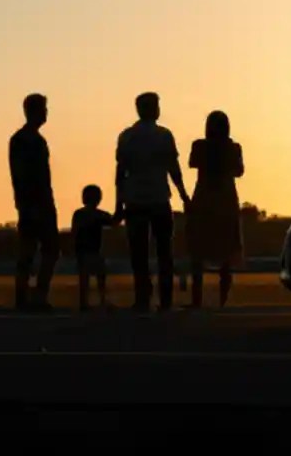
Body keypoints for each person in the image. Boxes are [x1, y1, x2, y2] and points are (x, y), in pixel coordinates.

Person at [115, 92, 190, 312]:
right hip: (158, 198)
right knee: (164, 251)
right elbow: (173, 168)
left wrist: (118, 203)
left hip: (135, 199)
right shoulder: (164, 135)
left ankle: (142, 297)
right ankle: (165, 299)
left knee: (139, 253)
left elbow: (121, 173)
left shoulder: (127, 136)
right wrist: (183, 194)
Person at [185, 110, 244, 308]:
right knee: (226, 251)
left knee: (198, 250)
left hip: (204, 198)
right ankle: (223, 300)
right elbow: (239, 171)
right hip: (226, 199)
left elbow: (192, 163)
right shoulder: (233, 147)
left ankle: (197, 299)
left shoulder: (200, 146)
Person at [9, 93, 58, 311]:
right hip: (34, 202)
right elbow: (21, 175)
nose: (46, 113)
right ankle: (30, 297)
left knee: (43, 250)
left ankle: (32, 296)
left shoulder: (33, 140)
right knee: (34, 251)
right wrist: (28, 203)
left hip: (39, 201)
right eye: (44, 109)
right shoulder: (25, 141)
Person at [71, 184, 116, 312]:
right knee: (100, 277)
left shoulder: (79, 214)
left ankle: (84, 302)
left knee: (84, 278)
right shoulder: (100, 215)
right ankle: (101, 300)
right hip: (93, 251)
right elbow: (113, 221)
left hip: (83, 251)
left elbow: (74, 232)